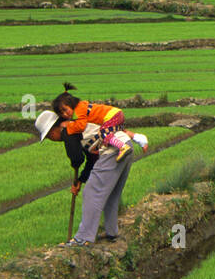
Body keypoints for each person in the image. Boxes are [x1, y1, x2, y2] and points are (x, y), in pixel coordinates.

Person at [35, 109, 148, 247]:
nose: (52, 139)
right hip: (125, 146)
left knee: (92, 192)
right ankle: (111, 232)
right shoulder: (80, 126)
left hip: (112, 151)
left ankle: (83, 238)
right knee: (111, 193)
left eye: (48, 136)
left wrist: (74, 164)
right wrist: (81, 180)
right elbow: (92, 160)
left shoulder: (68, 130)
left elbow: (77, 158)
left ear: (53, 129)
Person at [51, 82, 143, 162]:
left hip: (112, 115)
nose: (65, 114)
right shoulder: (80, 108)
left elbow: (80, 126)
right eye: (61, 113)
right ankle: (140, 139)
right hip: (115, 113)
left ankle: (122, 147)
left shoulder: (79, 109)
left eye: (65, 110)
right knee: (116, 132)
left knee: (104, 133)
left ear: (71, 104)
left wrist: (68, 126)